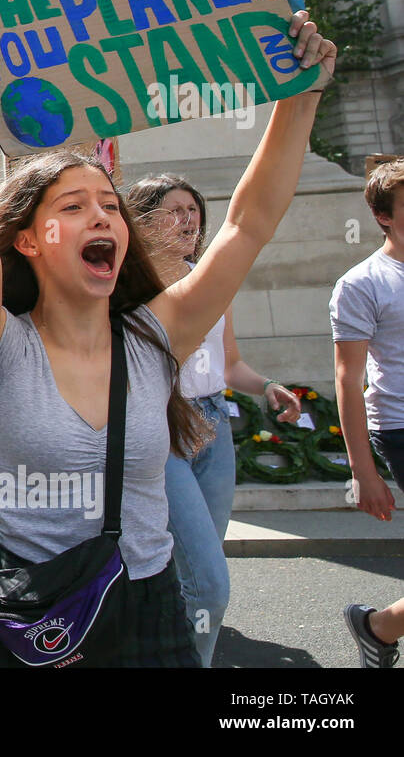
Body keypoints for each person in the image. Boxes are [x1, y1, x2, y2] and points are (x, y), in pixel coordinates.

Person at [0, 12, 335, 667]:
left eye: (110, 205)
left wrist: (301, 98)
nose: (102, 214)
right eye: (73, 206)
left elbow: (248, 223)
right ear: (30, 241)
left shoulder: (155, 336)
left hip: (152, 612)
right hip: (41, 620)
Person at [126, 173, 302, 666]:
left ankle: (164, 648)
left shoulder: (208, 276)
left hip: (214, 427)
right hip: (160, 431)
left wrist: (266, 387)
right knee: (209, 585)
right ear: (142, 221)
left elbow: (229, 364)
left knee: (195, 571)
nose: (189, 221)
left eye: (195, 212)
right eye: (175, 210)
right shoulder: (126, 287)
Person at [331, 157, 404, 667]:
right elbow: (347, 380)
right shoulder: (361, 283)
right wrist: (363, 471)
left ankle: (377, 627)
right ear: (384, 216)